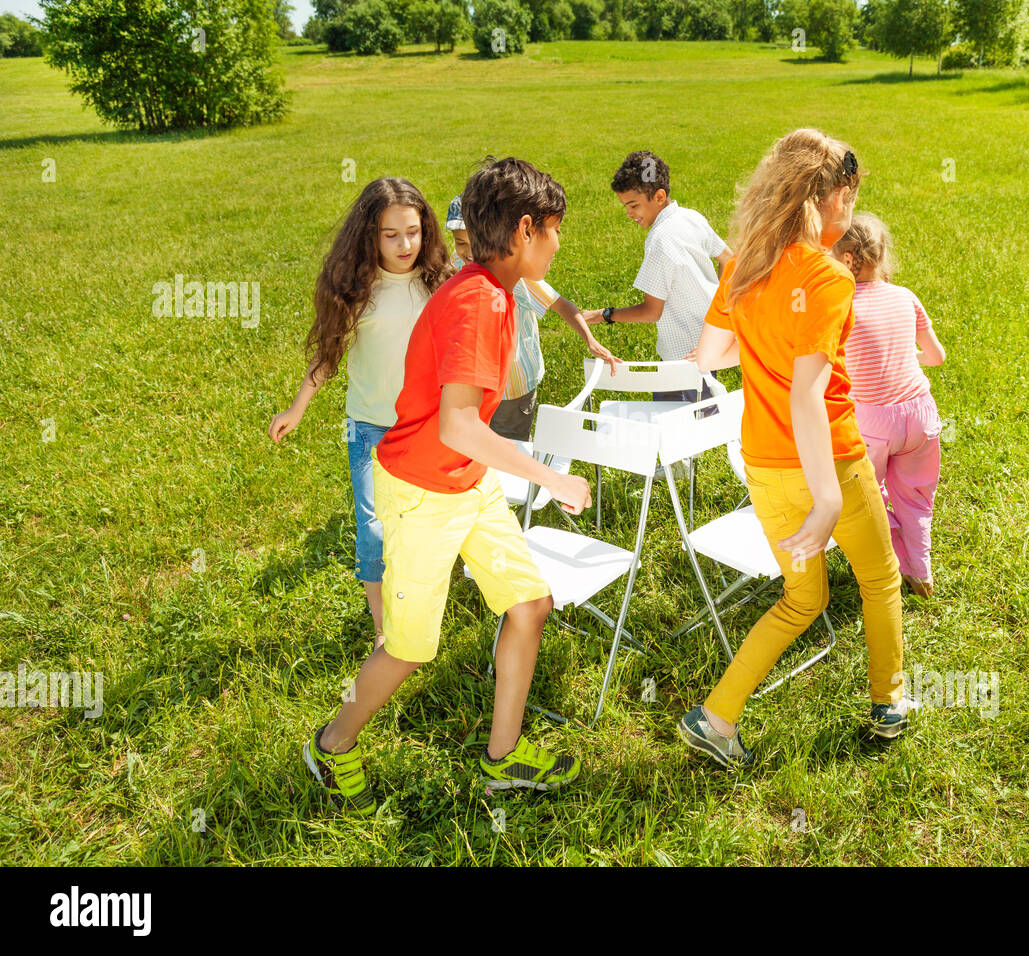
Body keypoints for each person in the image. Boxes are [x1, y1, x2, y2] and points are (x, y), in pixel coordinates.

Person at [302, 158, 592, 814]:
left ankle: (504, 758)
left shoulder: (486, 290)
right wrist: (552, 478)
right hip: (423, 492)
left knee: (529, 604)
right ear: (524, 231)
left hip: (469, 484)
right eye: (554, 230)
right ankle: (333, 741)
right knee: (407, 648)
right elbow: (460, 426)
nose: (557, 242)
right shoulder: (476, 302)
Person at [682, 129, 918, 769]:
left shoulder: (744, 264)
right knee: (880, 578)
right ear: (832, 195)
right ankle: (889, 702)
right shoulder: (828, 277)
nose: (852, 207)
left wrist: (762, 344)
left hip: (762, 464)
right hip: (829, 462)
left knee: (801, 599)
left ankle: (716, 716)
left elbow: (710, 356)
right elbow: (808, 397)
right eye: (851, 193)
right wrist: (828, 498)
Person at [269, 177, 455, 650]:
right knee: (373, 528)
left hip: (427, 425)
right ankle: (383, 630)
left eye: (413, 231)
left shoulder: (440, 280)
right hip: (370, 426)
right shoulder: (358, 288)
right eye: (391, 234)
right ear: (370, 235)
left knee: (419, 525)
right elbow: (329, 354)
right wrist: (298, 407)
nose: (405, 244)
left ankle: (422, 605)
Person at [832, 213, 947, 598]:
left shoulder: (842, 304)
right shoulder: (905, 297)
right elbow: (936, 356)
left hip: (873, 422)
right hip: (920, 412)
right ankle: (921, 571)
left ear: (846, 258)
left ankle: (887, 562)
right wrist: (907, 356)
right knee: (915, 497)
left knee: (866, 496)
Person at [444, 194, 621, 441]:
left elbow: (561, 305)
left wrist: (591, 341)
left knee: (510, 447)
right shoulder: (455, 263)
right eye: (460, 242)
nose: (467, 251)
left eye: (474, 241)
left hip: (513, 386)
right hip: (475, 384)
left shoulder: (516, 273)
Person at [581, 150, 732, 403]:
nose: (629, 213)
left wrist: (603, 314)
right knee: (702, 420)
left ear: (659, 196)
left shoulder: (660, 241)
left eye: (633, 205)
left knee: (678, 425)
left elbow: (652, 311)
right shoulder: (691, 217)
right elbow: (730, 260)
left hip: (681, 356)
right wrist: (720, 307)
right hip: (709, 343)